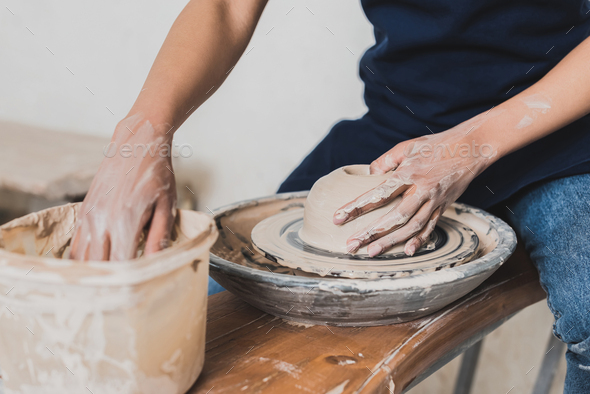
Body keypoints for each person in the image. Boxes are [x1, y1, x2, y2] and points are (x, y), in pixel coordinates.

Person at [70, 0, 590, 391]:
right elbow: (227, 8)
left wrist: (474, 144)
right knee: (203, 313)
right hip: (404, 127)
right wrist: (142, 134)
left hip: (563, 130)